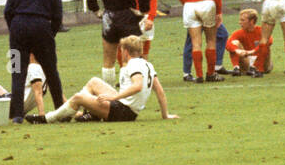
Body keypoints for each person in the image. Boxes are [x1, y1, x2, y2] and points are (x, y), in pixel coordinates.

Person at [27, 35, 176, 123]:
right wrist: (165, 115)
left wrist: (114, 96)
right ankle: (89, 114)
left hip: (123, 112)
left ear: (126, 51)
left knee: (78, 97)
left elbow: (137, 86)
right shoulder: (147, 64)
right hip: (127, 109)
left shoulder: (133, 63)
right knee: (94, 82)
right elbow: (160, 92)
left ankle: (46, 119)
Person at [3, 0, 65, 124]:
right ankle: (60, 108)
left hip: (18, 26)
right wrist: (51, 33)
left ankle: (17, 114)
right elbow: (58, 15)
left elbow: (7, 11)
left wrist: (14, 29)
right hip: (41, 25)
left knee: (17, 71)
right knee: (51, 71)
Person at [88, 0, 151, 84]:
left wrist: (95, 10)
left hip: (109, 16)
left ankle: (109, 96)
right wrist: (143, 10)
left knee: (108, 60)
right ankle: (129, 92)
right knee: (131, 57)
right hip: (127, 14)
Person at [175, 0, 223, 83]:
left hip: (190, 5)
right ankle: (211, 73)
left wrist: (188, 2)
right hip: (207, 4)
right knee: (211, 40)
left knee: (196, 43)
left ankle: (199, 76)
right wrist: (219, 11)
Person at [225, 9, 264, 76]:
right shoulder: (238, 33)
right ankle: (236, 68)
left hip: (262, 62)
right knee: (234, 43)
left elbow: (269, 41)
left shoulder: (261, 31)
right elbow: (227, 44)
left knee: (265, 44)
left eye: (242, 20)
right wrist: (236, 50)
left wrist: (252, 51)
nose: (239, 22)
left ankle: (257, 68)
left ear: (251, 21)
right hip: (247, 61)